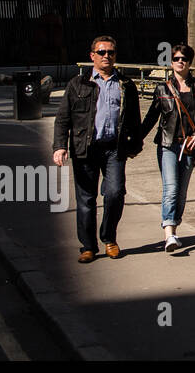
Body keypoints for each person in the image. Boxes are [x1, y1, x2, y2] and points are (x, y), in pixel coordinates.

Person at [52, 35, 144, 263]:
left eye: (110, 52)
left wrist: (135, 145)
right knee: (86, 199)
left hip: (114, 149)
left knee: (115, 193)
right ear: (92, 56)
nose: (106, 56)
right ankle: (88, 246)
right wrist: (60, 146)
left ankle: (109, 237)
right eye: (101, 52)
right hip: (85, 148)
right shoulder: (78, 84)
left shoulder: (125, 85)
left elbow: (134, 119)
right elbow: (63, 118)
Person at [141, 44, 195, 253]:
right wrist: (134, 140)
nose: (181, 62)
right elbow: (152, 117)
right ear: (171, 62)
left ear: (190, 63)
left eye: (185, 59)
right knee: (171, 188)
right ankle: (169, 233)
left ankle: (174, 223)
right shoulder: (162, 88)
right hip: (167, 144)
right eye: (177, 58)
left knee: (181, 192)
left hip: (189, 145)